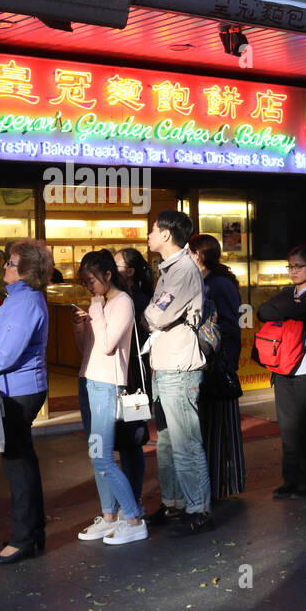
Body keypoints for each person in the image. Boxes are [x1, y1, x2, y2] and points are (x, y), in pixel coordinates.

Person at [0, 238, 52, 564]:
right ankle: (32, 532)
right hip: (14, 389)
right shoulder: (16, 299)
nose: (4, 266)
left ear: (27, 271)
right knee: (22, 461)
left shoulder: (27, 303)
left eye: (12, 263)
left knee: (17, 465)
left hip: (19, 391)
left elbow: (3, 356)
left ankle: (22, 539)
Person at [143, 209, 213, 535]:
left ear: (167, 235)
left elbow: (155, 317)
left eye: (152, 229)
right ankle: (173, 503)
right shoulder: (169, 270)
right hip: (165, 365)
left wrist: (152, 312)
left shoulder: (182, 270)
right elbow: (156, 312)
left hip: (180, 368)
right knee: (168, 442)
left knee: (185, 441)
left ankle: (197, 508)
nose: (149, 235)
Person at [71, 251, 146, 546]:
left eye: (91, 281)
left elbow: (106, 345)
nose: (89, 287)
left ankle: (134, 518)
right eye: (85, 283)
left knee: (103, 457)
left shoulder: (122, 303)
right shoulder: (101, 304)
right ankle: (109, 516)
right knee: (96, 456)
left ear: (108, 275)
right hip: (89, 381)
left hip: (108, 386)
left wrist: (94, 310)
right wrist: (80, 324)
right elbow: (87, 348)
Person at [259, 245, 306, 499]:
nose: (293, 271)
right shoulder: (286, 293)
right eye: (290, 266)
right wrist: (290, 304)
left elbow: (299, 310)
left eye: (298, 266)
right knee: (288, 428)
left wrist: (287, 306)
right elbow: (263, 311)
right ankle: (290, 480)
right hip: (282, 371)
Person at [188, 233, 246, 501]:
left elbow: (228, 327)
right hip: (212, 362)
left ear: (199, 254)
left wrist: (224, 359)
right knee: (214, 426)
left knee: (219, 427)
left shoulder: (217, 284)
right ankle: (218, 484)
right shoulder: (209, 281)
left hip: (217, 364)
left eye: (189, 253)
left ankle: (221, 485)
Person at [114, 247, 154, 504]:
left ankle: (133, 500)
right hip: (129, 378)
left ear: (129, 272)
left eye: (115, 265)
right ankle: (131, 499)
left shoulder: (135, 301)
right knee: (127, 440)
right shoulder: (125, 298)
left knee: (133, 439)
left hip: (135, 382)